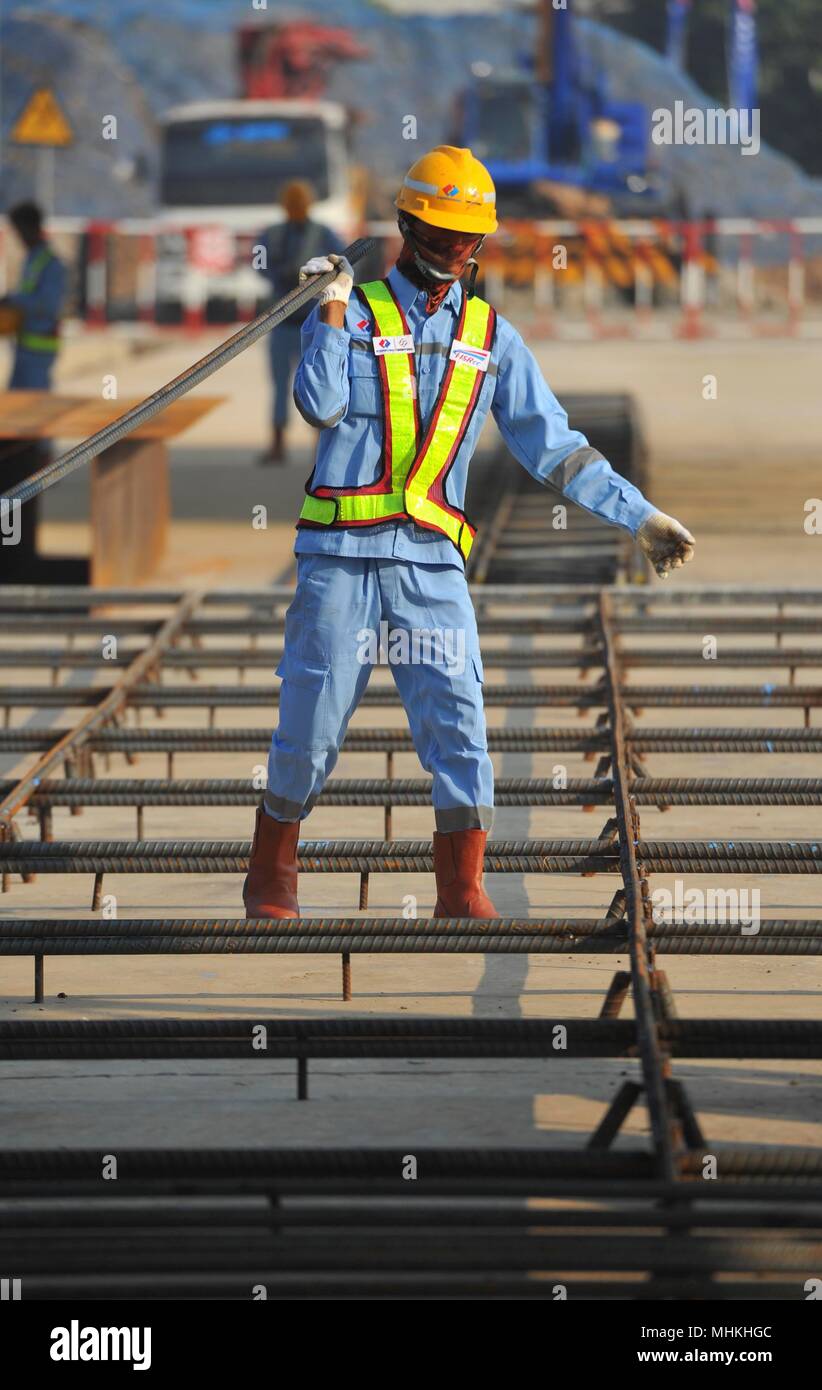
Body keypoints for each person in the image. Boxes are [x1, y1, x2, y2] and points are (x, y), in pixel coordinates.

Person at [243, 145, 695, 920]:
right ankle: (272, 873)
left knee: (458, 723)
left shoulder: (491, 338)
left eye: (469, 238)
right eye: (444, 234)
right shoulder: (351, 311)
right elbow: (317, 406)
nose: (457, 251)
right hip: (339, 563)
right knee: (310, 727)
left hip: (430, 566)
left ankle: (460, 887)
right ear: (409, 224)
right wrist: (324, 307)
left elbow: (554, 446)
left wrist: (639, 515)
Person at [256, 180, 343, 463]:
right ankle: (279, 445)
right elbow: (259, 264)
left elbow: (343, 263)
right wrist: (279, 274)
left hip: (313, 322)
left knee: (318, 385)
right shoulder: (273, 235)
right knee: (281, 386)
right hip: (283, 322)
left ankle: (320, 447)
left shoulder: (323, 234)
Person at [1, 201, 66, 390]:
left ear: (31, 227)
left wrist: (13, 301)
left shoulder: (52, 264)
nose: (18, 236)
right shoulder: (31, 259)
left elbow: (49, 304)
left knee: (35, 404)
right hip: (23, 347)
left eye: (19, 230)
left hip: (40, 349)